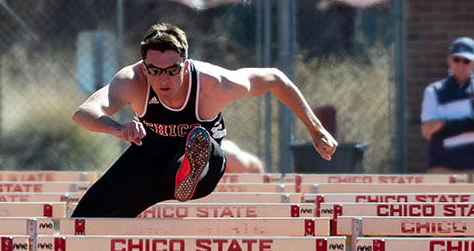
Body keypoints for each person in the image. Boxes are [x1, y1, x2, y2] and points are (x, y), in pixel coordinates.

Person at [70, 24, 336, 218]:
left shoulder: (216, 84)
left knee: (198, 142)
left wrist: (316, 129)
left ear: (186, 66)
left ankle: (188, 171)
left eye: (172, 70)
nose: (163, 79)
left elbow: (275, 79)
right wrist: (117, 128)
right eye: (155, 71)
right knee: (85, 217)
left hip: (205, 161)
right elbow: (83, 112)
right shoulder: (132, 80)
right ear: (144, 67)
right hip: (150, 156)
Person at [420, 37, 474, 173]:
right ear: (449, 60)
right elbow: (432, 133)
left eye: (467, 60)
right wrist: (472, 126)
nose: (461, 64)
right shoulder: (433, 91)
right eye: (456, 59)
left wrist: (442, 122)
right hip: (440, 167)